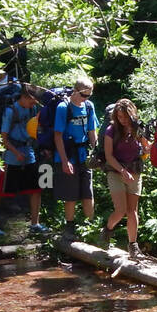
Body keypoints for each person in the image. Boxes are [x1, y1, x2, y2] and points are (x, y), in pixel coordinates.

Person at [0, 84, 47, 239]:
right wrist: (16, 153)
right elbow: (3, 138)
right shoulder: (10, 111)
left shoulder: (32, 110)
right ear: (24, 97)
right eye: (32, 101)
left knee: (36, 190)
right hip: (11, 157)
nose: (34, 105)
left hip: (28, 153)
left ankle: (35, 224)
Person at [100, 99, 148, 254]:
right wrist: (122, 171)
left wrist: (149, 148)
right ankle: (107, 230)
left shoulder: (138, 128)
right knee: (121, 210)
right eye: (120, 117)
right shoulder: (111, 130)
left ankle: (133, 245)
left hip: (134, 171)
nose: (123, 120)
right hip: (116, 171)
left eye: (125, 117)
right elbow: (109, 156)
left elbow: (146, 148)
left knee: (132, 210)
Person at [53, 77, 99, 234]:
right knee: (70, 194)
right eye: (84, 95)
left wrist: (98, 153)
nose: (86, 99)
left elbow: (92, 132)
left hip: (83, 155)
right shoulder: (63, 107)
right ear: (75, 91)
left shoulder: (89, 106)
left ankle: (89, 227)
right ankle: (69, 227)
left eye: (89, 96)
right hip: (68, 156)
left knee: (88, 192)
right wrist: (65, 162)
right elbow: (57, 136)